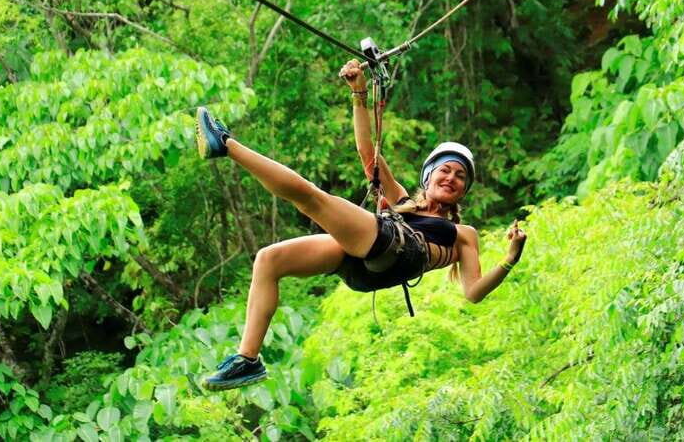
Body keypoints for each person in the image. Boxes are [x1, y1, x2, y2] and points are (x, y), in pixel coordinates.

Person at [196, 59, 526, 391]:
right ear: (429, 176)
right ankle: (247, 360)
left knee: (312, 198)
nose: (451, 178)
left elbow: (473, 293)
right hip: (363, 266)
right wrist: (358, 94)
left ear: (463, 192)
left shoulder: (463, 235)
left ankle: (225, 144)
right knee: (269, 260)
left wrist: (510, 257)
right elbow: (367, 151)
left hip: (397, 251)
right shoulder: (401, 200)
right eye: (446, 170)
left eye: (460, 176)